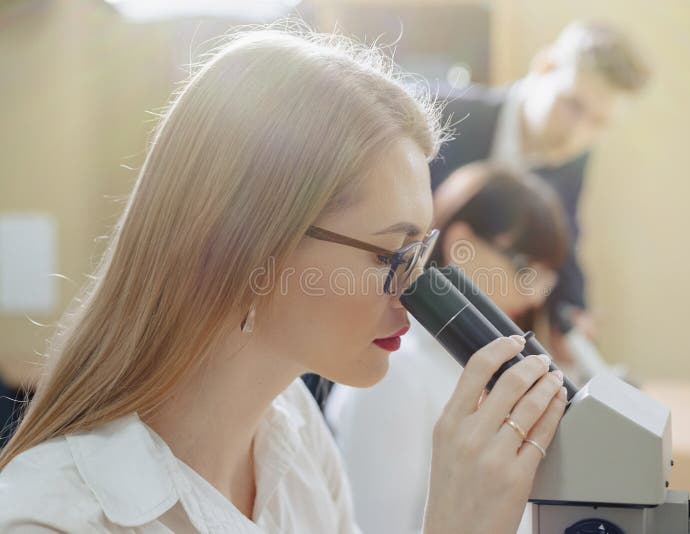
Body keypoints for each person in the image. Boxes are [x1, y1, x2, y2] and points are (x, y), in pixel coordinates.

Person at [0, 25, 567, 533]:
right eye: (391, 254)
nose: (414, 298)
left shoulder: (293, 434)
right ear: (247, 249)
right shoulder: (53, 519)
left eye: (421, 253)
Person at [325, 162, 569, 534]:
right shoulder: (394, 376)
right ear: (463, 247)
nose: (536, 294)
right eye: (525, 270)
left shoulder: (497, 368)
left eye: (546, 277)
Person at [429, 20, 650, 358]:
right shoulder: (446, 114)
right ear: (544, 67)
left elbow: (564, 239)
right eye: (573, 106)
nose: (578, 134)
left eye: (599, 123)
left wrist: (574, 315)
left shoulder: (574, 158)